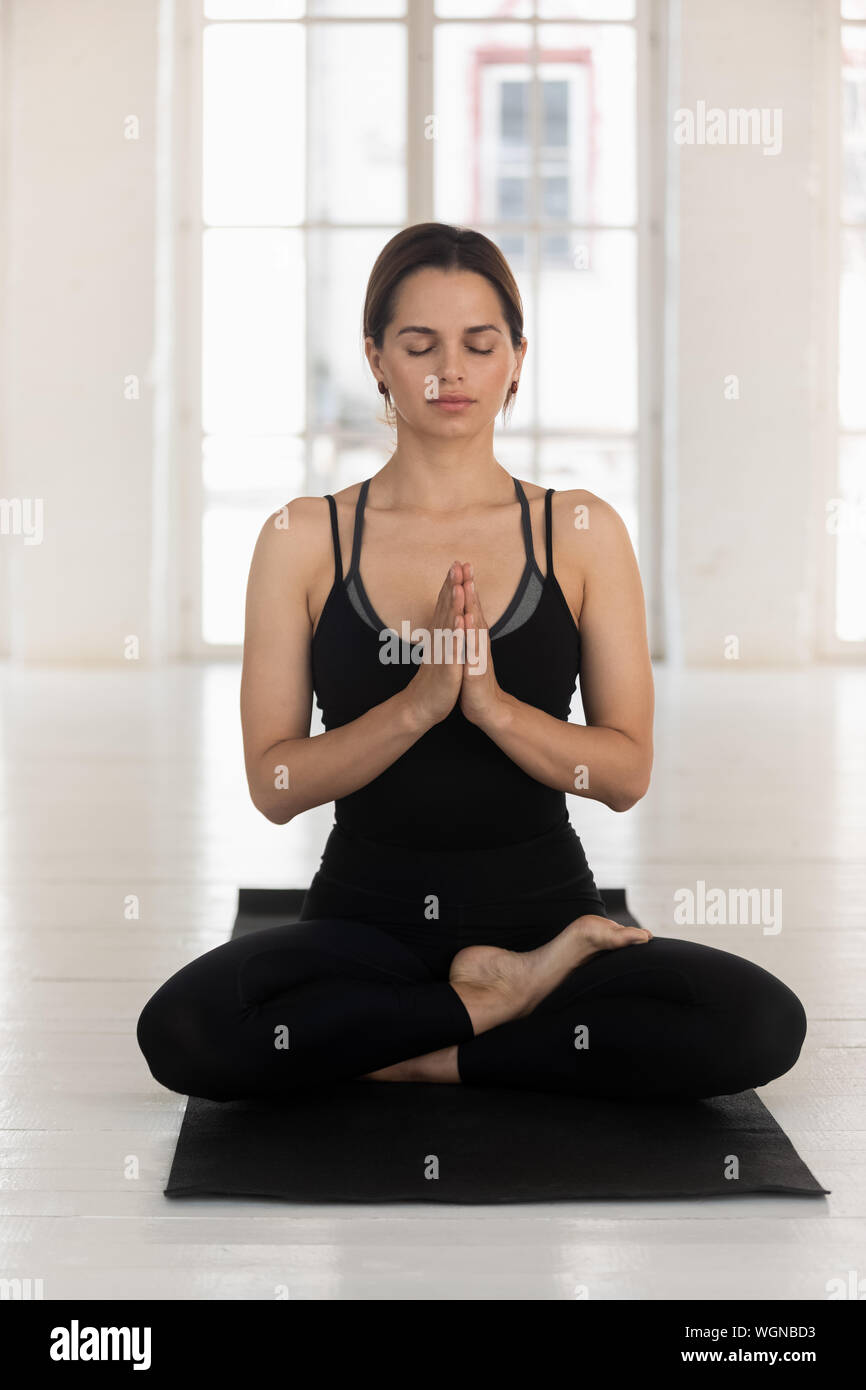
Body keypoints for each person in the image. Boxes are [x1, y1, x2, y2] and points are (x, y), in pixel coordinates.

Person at [136, 223, 807, 1103]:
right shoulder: (303, 538)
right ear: (377, 359)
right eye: (419, 345)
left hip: (544, 923)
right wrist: (417, 706)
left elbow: (625, 775)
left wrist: (490, 707)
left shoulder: (581, 531)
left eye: (479, 344)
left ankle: (436, 1038)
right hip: (364, 925)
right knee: (183, 1029)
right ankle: (491, 1016)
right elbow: (277, 784)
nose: (449, 370)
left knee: (758, 1020)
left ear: (516, 361)